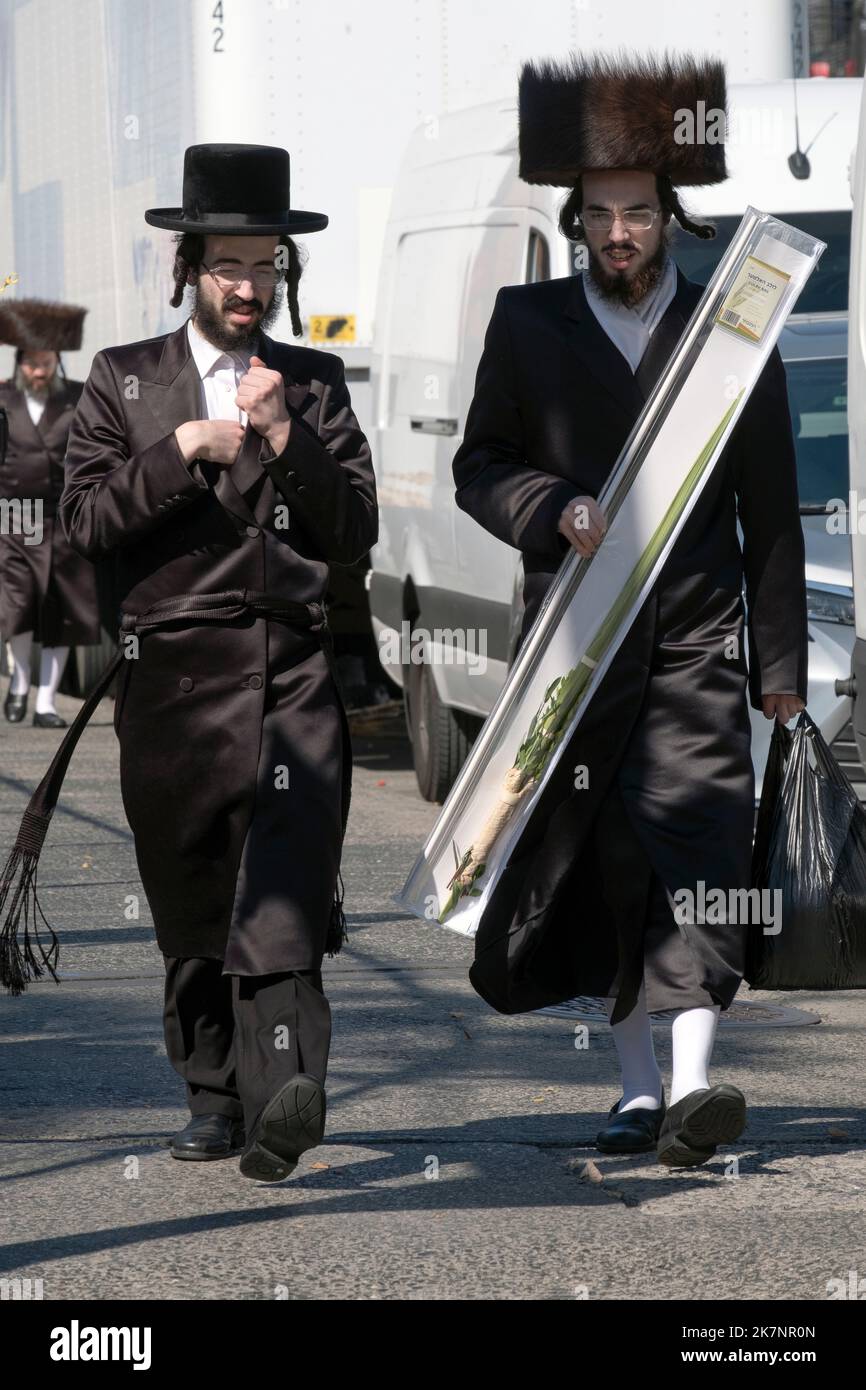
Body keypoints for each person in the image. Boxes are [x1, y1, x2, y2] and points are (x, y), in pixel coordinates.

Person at [452, 53, 807, 1167]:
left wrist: (779, 670)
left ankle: (695, 1084)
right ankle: (635, 1092)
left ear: (669, 216)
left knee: (699, 855)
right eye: (600, 215)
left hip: (699, 646)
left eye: (638, 212)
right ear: (574, 222)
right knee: (607, 868)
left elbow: (773, 511)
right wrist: (548, 504)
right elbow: (478, 465)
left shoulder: (732, 334)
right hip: (578, 655)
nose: (619, 232)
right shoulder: (526, 324)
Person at [0, 143, 378, 1184]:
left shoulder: (316, 381)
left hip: (293, 674)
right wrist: (187, 452)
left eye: (264, 265)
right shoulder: (125, 379)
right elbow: (81, 524)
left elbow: (351, 530)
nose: (248, 285)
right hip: (170, 674)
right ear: (187, 269)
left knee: (286, 890)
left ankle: (285, 1097)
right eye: (227, 265)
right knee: (194, 899)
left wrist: (285, 438)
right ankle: (213, 1093)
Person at [0, 299, 101, 727]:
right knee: (18, 605)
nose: (40, 372)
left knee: (64, 607)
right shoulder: (2, 398)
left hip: (64, 514)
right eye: (32, 364)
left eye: (47, 363)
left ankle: (46, 703)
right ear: (20, 363)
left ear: (57, 363)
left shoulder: (79, 397)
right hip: (15, 513)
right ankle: (20, 682)